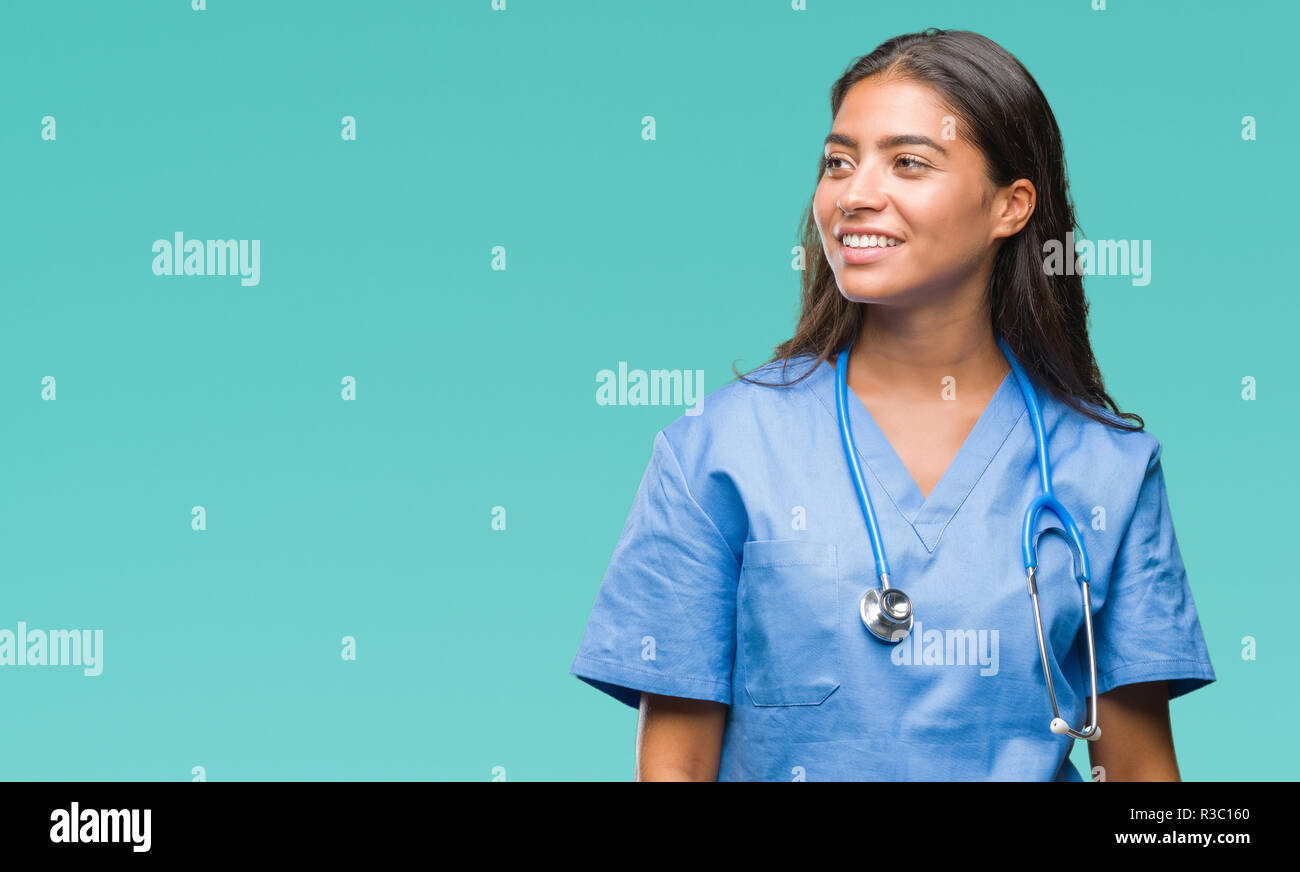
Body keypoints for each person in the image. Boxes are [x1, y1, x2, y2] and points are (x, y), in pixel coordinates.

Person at [569, 28, 1215, 781]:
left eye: (908, 162)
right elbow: (674, 769)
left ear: (1010, 207)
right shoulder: (716, 453)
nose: (855, 194)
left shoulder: (1107, 472)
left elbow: (1142, 784)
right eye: (839, 162)